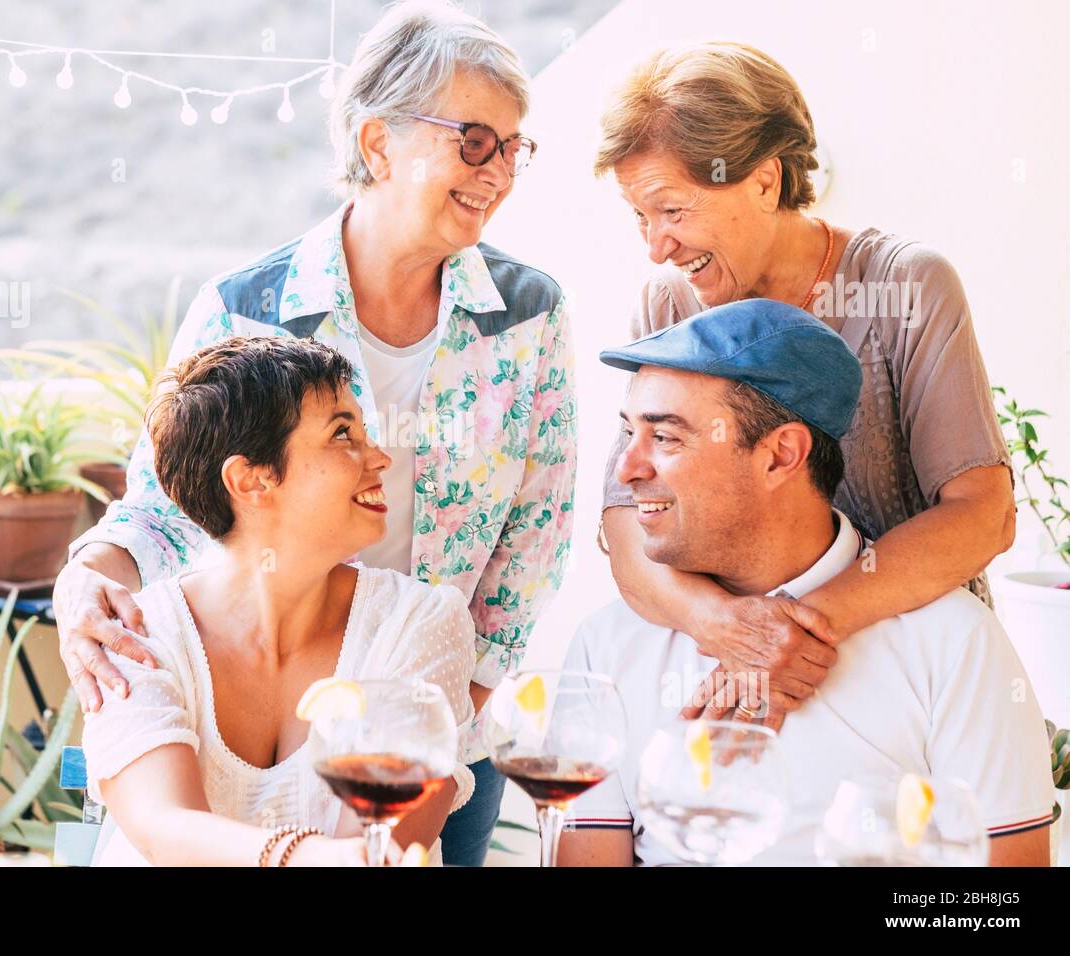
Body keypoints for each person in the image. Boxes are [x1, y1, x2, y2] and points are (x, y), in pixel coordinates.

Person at [55, 1, 577, 866]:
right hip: (247, 683)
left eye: (515, 147)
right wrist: (87, 580)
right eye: (477, 141)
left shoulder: (529, 315)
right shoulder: (245, 307)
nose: (501, 171)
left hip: (429, 722)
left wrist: (450, 704)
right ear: (379, 144)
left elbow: (539, 526)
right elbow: (162, 506)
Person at [594, 42, 1016, 733]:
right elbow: (624, 519)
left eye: (672, 210)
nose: (656, 247)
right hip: (740, 678)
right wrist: (730, 629)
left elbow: (983, 513)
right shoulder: (666, 307)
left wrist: (795, 633)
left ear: (764, 181)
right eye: (639, 216)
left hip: (916, 670)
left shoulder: (904, 284)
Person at [557, 300, 1052, 867]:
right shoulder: (607, 643)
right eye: (629, 433)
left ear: (780, 455)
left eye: (666, 438)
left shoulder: (954, 643)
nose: (625, 470)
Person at [82, 336, 476, 866]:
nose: (380, 458)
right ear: (251, 480)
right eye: (343, 435)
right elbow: (163, 826)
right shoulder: (138, 632)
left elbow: (383, 849)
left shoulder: (420, 623)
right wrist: (308, 856)